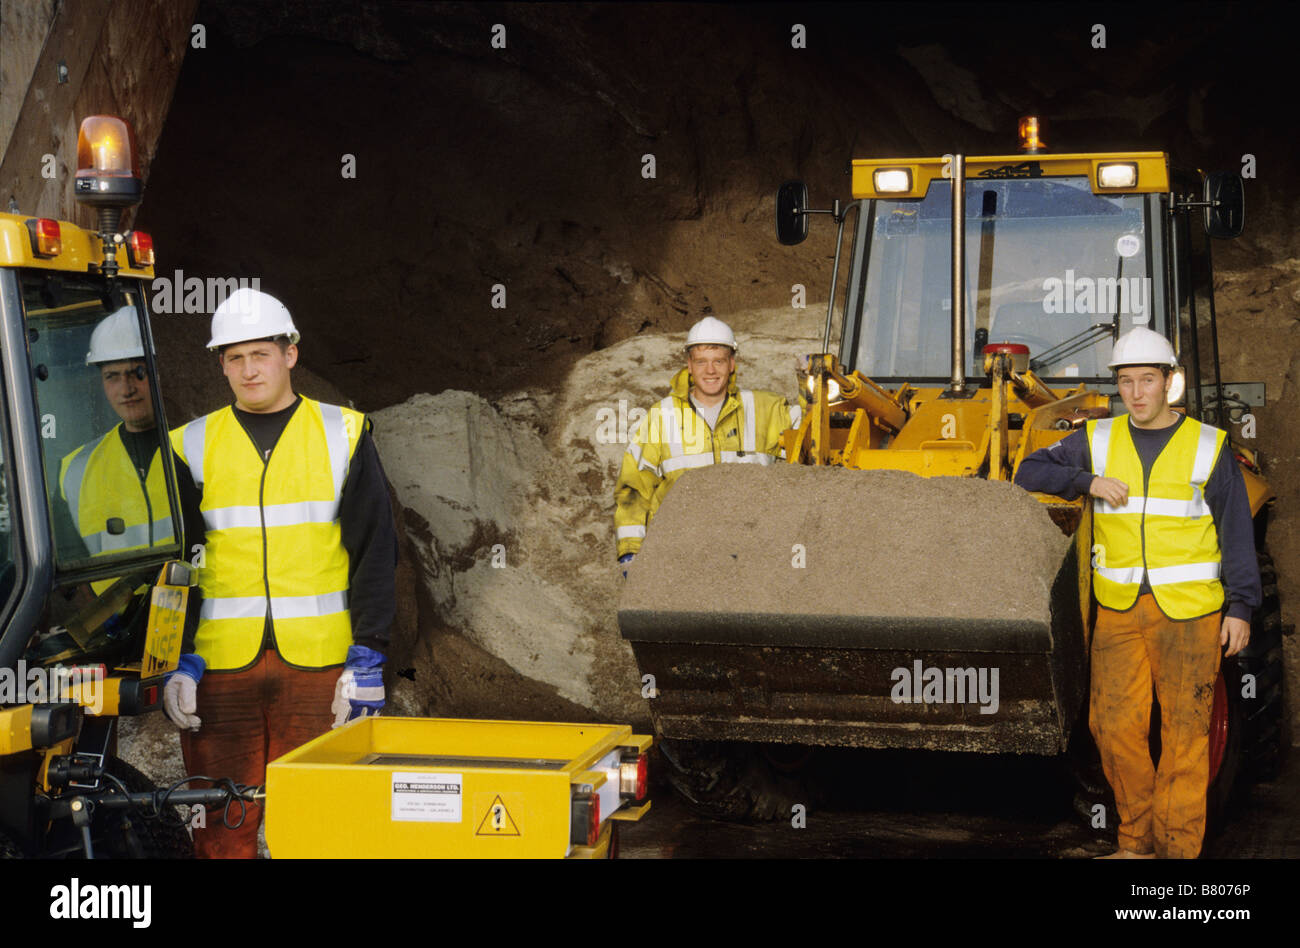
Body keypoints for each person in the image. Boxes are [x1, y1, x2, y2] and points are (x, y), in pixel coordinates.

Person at [161, 287, 398, 858]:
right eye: (234, 358)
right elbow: (174, 567)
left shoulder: (343, 433)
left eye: (260, 354)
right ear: (221, 363)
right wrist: (176, 657)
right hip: (219, 672)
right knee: (218, 826)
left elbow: (375, 550)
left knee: (322, 825)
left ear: (290, 353)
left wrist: (369, 656)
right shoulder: (190, 444)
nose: (248, 369)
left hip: (321, 668)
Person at [1014, 326, 1260, 859]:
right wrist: (1086, 482)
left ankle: (1175, 855)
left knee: (1184, 738)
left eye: (1148, 380)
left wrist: (1240, 607)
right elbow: (1026, 469)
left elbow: (1235, 530)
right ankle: (1136, 845)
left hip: (1190, 615)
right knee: (1113, 730)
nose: (1137, 392)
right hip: (1119, 612)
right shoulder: (1098, 440)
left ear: (1171, 383)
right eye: (1126, 382)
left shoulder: (1208, 446)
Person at [614, 317, 796, 571]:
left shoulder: (766, 409)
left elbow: (816, 437)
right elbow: (634, 488)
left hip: (753, 556)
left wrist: (815, 388)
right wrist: (630, 551)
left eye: (718, 361)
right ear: (689, 365)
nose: (710, 371)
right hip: (679, 554)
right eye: (701, 362)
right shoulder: (661, 416)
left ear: (732, 364)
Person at [57, 306, 174, 575]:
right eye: (112, 376)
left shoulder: (196, 448)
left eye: (138, 373)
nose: (126, 389)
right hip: (113, 617)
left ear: (159, 373)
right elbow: (69, 578)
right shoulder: (73, 470)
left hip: (193, 613)